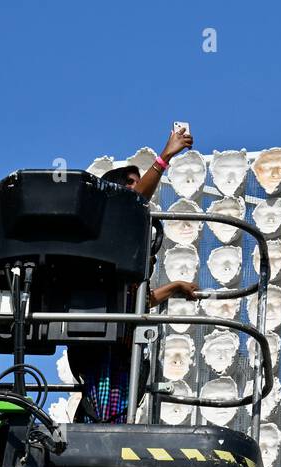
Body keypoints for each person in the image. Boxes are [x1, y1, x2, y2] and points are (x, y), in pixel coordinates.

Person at [69, 126, 199, 423]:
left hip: (122, 344)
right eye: (130, 184)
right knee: (103, 415)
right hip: (101, 344)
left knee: (120, 412)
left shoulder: (127, 246)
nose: (139, 191)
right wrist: (165, 156)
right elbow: (132, 202)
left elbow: (138, 300)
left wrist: (174, 287)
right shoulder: (105, 230)